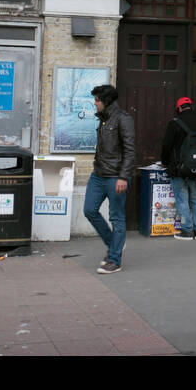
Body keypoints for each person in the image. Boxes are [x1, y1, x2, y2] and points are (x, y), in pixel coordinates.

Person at [84, 84, 135, 273]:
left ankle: (114, 260)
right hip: (98, 175)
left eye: (97, 100)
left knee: (116, 218)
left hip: (116, 177)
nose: (95, 103)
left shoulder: (123, 119)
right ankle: (115, 244)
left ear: (106, 101)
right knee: (89, 210)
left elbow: (130, 151)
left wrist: (123, 176)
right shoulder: (103, 119)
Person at [162, 97, 196, 241]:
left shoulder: (175, 123)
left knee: (182, 199)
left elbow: (167, 146)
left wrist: (165, 162)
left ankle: (187, 231)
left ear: (179, 108)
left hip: (179, 169)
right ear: (190, 106)